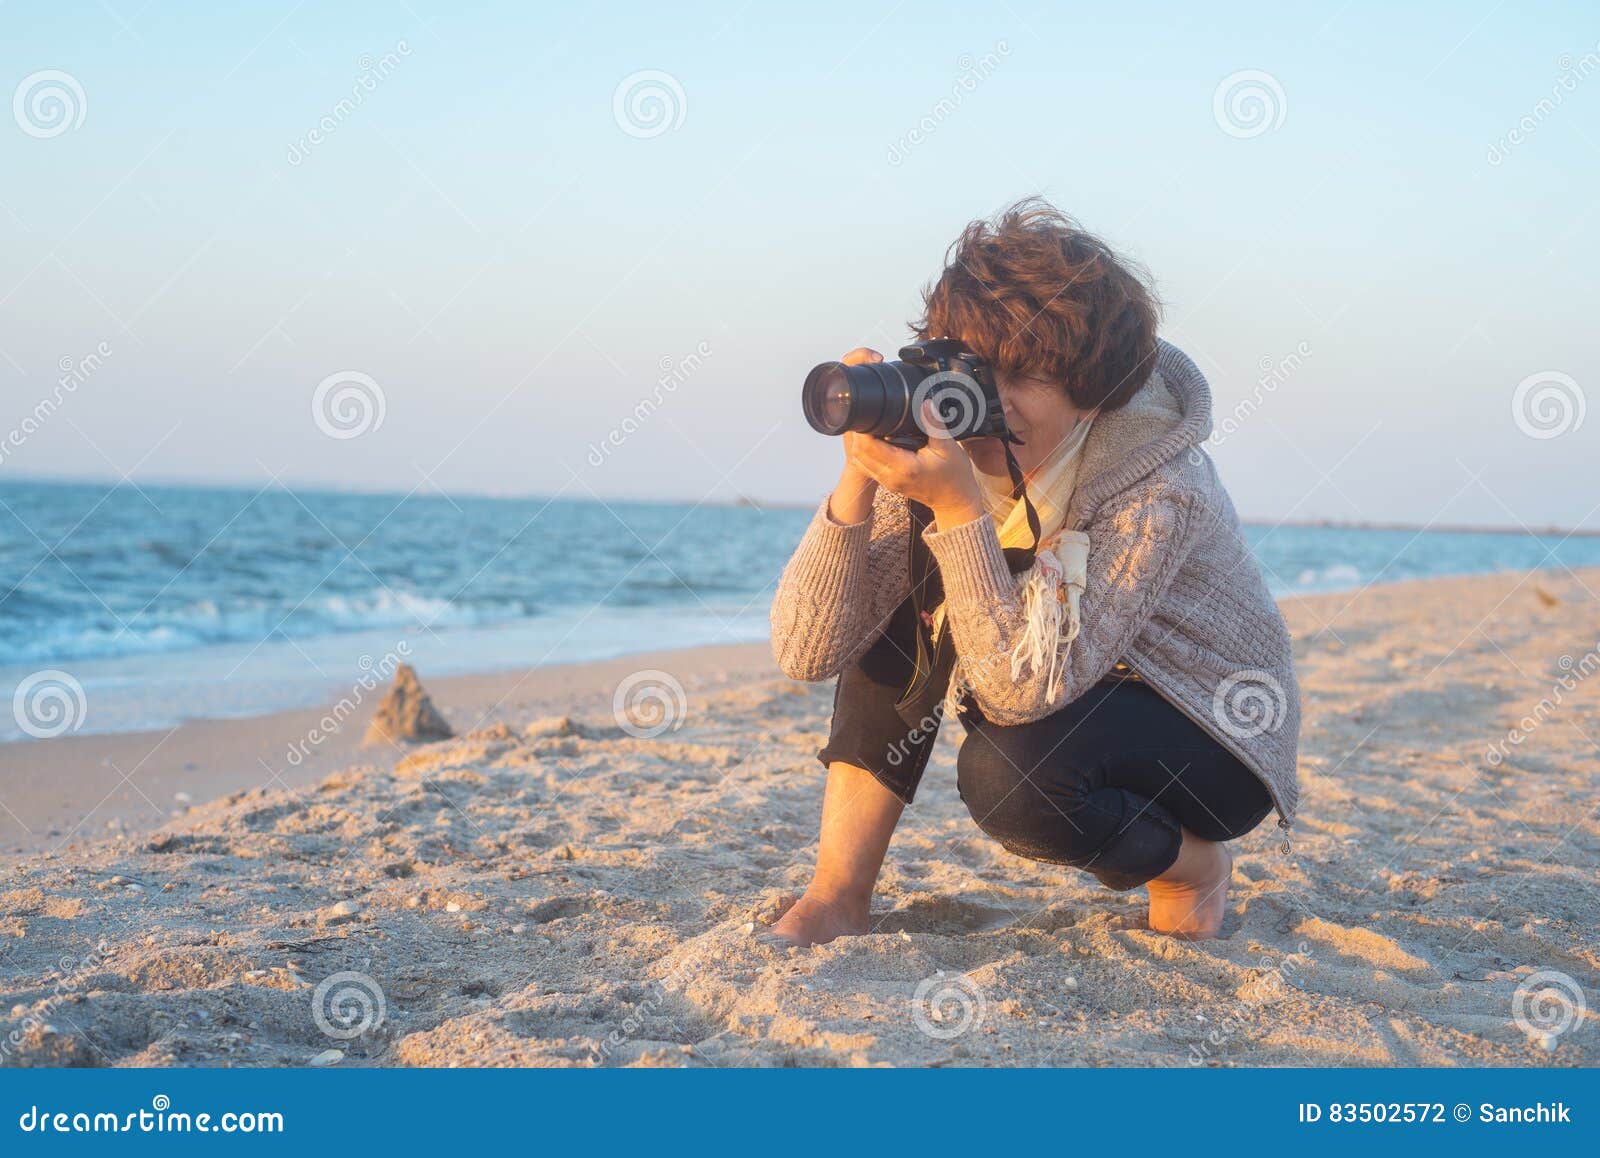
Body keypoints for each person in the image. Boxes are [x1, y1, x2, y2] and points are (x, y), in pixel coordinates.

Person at [767, 199, 1299, 944]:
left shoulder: (1158, 484)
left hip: (1208, 732)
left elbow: (1019, 693)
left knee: (1010, 777)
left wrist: (959, 513)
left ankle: (1191, 869)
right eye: (979, 371)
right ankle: (837, 896)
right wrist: (859, 478)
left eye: (1025, 376)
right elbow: (807, 651)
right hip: (1071, 687)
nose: (991, 401)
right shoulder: (943, 445)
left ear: (1094, 388)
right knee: (902, 609)